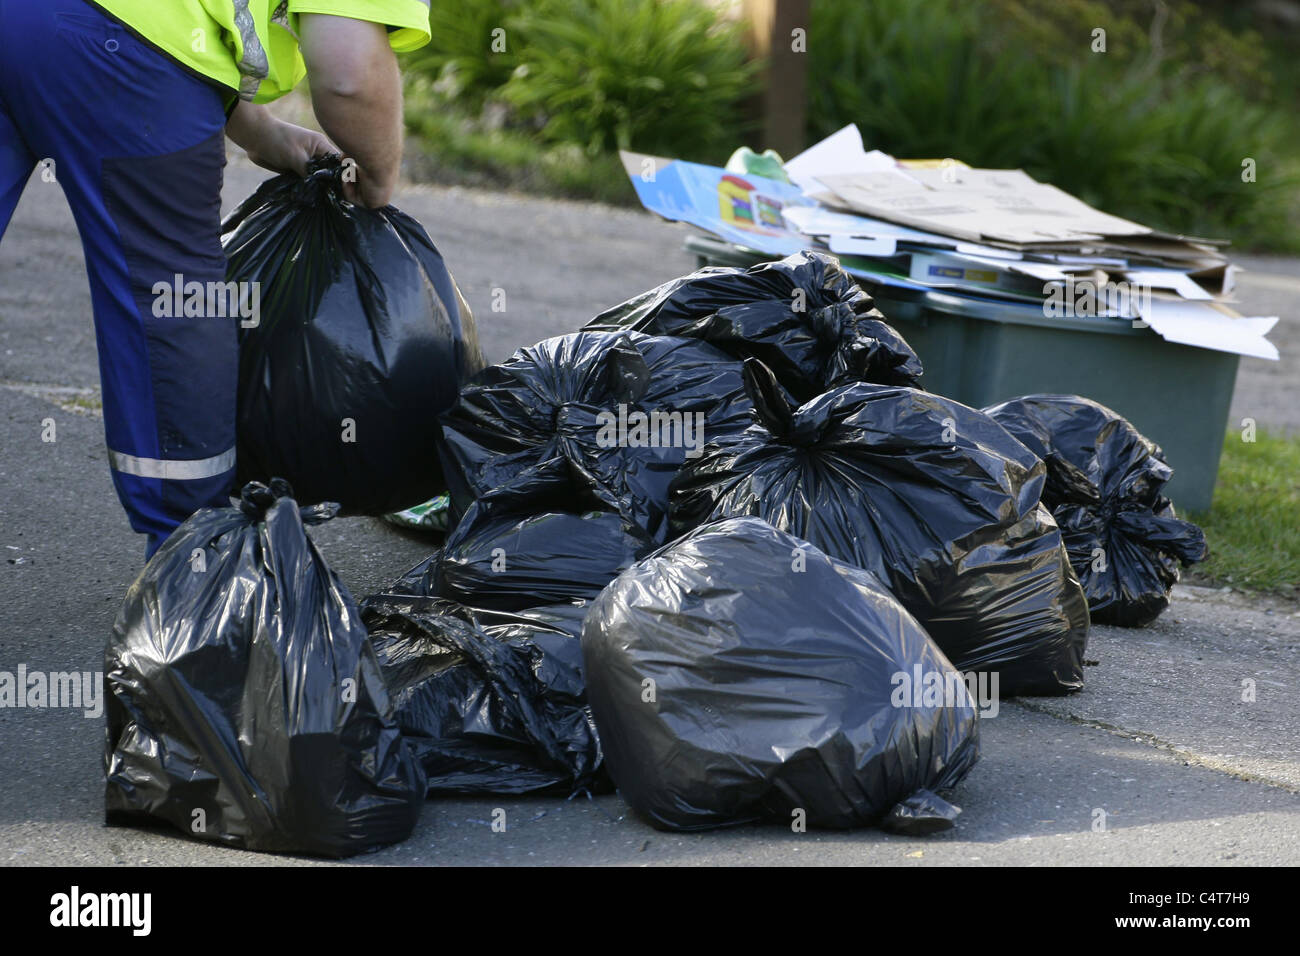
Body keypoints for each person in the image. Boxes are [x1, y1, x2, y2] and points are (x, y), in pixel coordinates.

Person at [0, 0, 431, 556]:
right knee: (177, 299)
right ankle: (191, 552)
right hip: (123, 63)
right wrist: (377, 172)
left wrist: (256, 130)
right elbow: (349, 73)